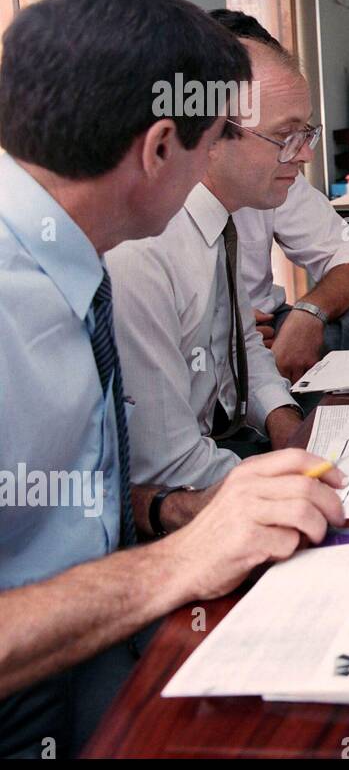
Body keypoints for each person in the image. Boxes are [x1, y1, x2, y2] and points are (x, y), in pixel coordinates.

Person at [0, 0, 344, 758]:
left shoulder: (67, 261)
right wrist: (173, 564)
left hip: (87, 655)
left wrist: (163, 515)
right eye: (216, 134)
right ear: (160, 149)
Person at [106, 31, 315, 488]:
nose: (305, 154)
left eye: (306, 133)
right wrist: (290, 484)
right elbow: (166, 463)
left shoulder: (216, 220)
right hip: (174, 488)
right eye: (286, 136)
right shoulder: (144, 248)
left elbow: (242, 342)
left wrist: (287, 426)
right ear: (211, 136)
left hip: (214, 452)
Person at [210, 10, 349, 384]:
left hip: (273, 326)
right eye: (283, 134)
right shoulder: (157, 200)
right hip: (210, 344)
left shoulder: (278, 168)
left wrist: (311, 312)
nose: (304, 155)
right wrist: (224, 337)